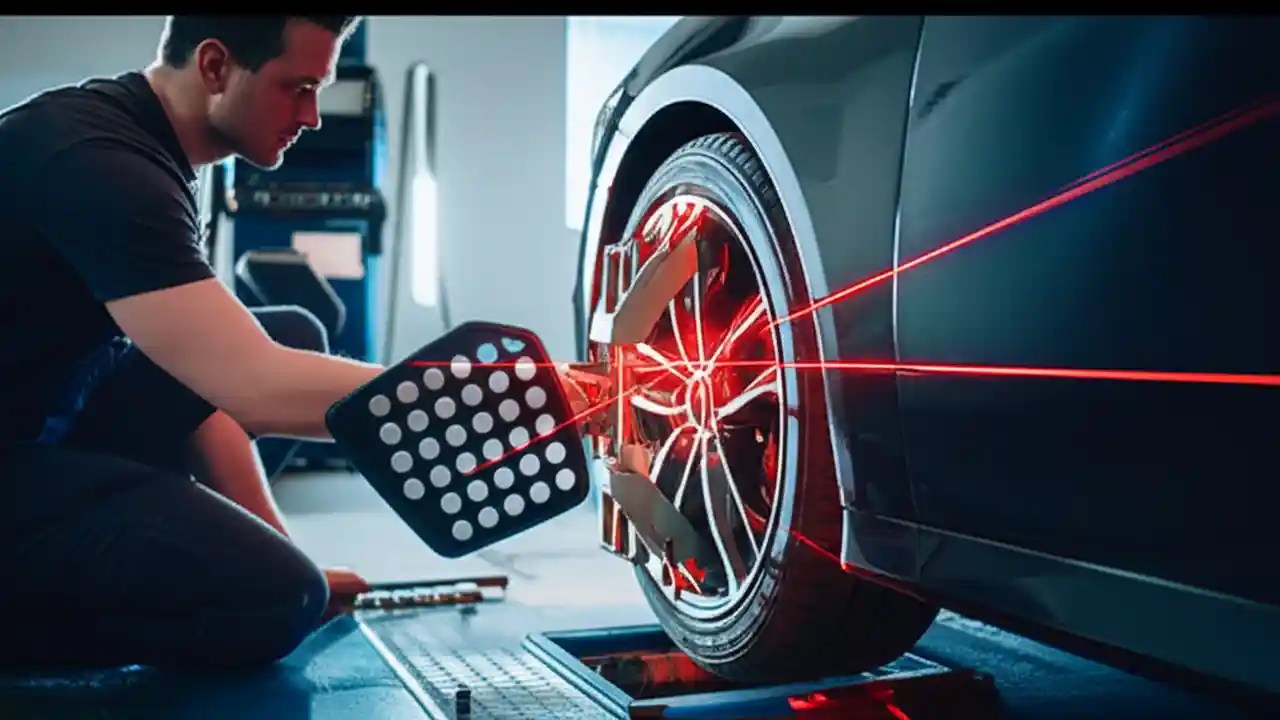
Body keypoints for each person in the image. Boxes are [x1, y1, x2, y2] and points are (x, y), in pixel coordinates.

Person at [0, 16, 388, 669]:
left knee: (291, 332)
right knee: (273, 600)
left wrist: (282, 545)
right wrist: (464, 390)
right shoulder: (99, 163)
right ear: (214, 67)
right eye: (296, 88)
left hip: (40, 417)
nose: (314, 115)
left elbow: (204, 388)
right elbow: (254, 391)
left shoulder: (164, 149)